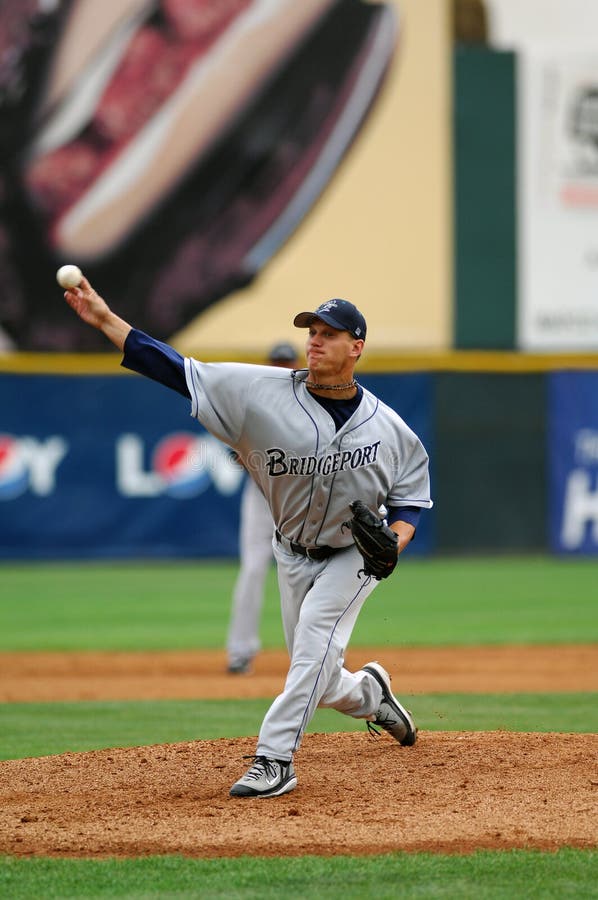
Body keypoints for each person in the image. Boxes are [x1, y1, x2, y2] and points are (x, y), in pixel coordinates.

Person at [63, 280, 433, 799]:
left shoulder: (390, 429)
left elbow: (412, 498)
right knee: (321, 677)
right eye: (313, 331)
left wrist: (394, 542)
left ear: (357, 347)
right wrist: (105, 317)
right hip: (292, 552)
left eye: (330, 333)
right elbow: (173, 368)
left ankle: (274, 758)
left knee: (314, 642)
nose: (316, 341)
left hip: (353, 556)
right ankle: (370, 693)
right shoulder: (259, 393)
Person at [227, 342, 299, 675]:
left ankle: (316, 655)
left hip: (298, 496)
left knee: (302, 574)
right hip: (260, 496)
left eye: (287, 362)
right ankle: (240, 652)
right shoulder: (253, 400)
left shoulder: (309, 399)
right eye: (277, 362)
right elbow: (236, 451)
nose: (282, 367)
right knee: (254, 568)